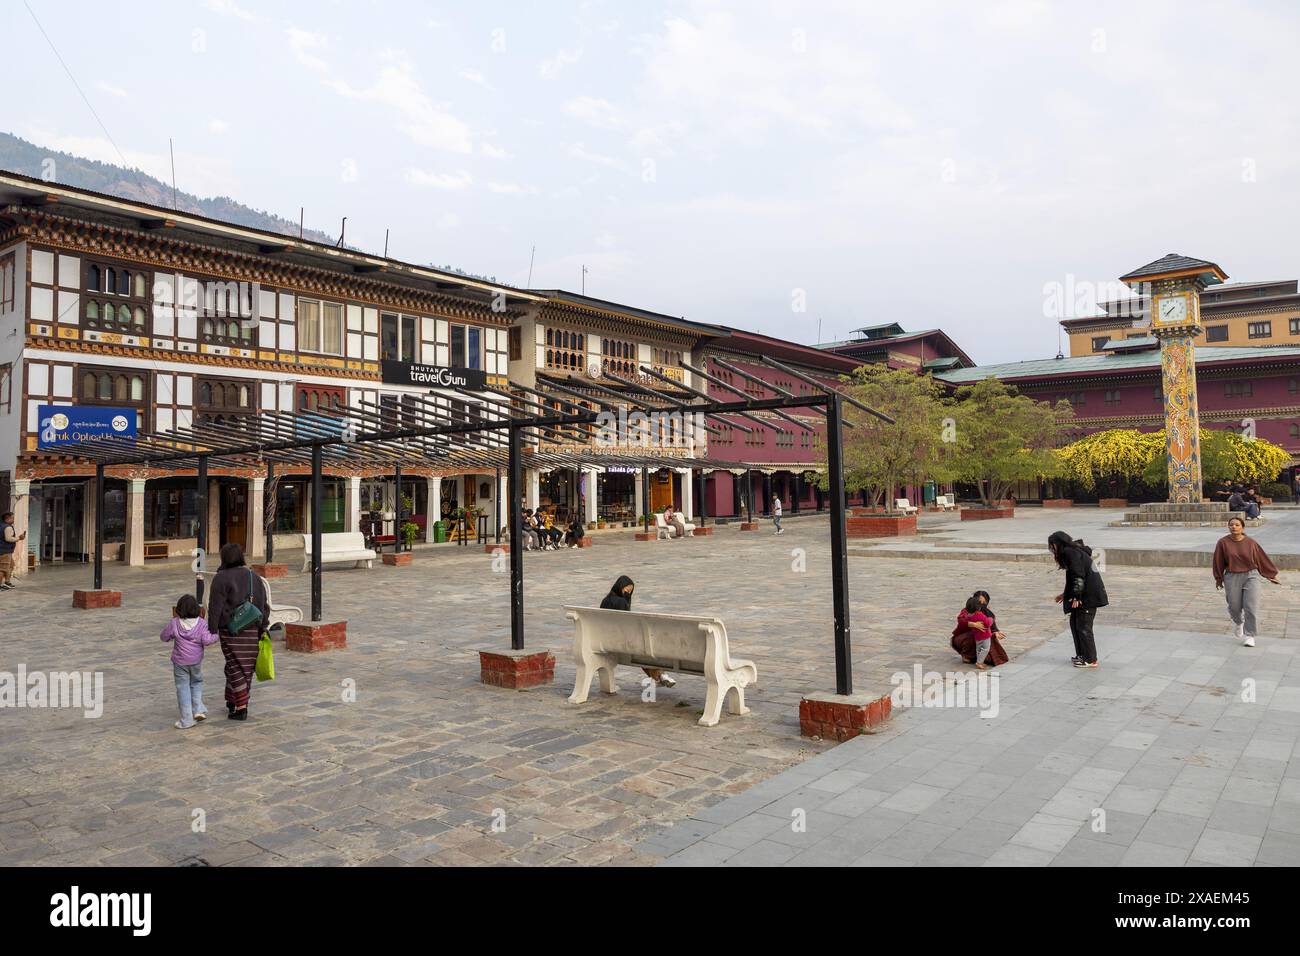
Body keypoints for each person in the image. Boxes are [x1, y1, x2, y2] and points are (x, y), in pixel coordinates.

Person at [205, 543, 270, 721]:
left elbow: (215, 607)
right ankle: (232, 699)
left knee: (235, 665)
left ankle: (241, 707)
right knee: (244, 667)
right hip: (252, 628)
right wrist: (263, 625)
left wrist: (212, 630)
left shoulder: (221, 578)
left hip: (230, 630)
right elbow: (263, 604)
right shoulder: (253, 576)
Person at [1212, 515, 1280, 648]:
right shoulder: (1223, 543)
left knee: (1251, 607)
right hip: (1232, 576)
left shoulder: (1251, 542)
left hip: (1251, 575)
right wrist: (1219, 578)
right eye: (1231, 524)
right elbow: (1218, 561)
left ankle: (1250, 635)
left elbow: (1261, 559)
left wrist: (1271, 574)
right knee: (1234, 607)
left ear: (1242, 527)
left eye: (1237, 525)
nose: (1234, 527)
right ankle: (1238, 622)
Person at [599, 575, 675, 687]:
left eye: (630, 591)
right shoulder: (621, 602)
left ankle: (658, 676)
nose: (629, 593)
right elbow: (626, 624)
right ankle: (660, 675)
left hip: (605, 641)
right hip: (619, 644)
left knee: (640, 652)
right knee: (643, 651)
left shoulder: (605, 600)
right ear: (620, 587)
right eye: (627, 590)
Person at [1048, 531, 1108, 668]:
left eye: (1052, 545)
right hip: (1083, 594)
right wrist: (1065, 595)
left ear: (1057, 544)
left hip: (1087, 596)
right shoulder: (1073, 552)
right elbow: (1073, 578)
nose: (1052, 549)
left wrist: (1076, 596)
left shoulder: (1071, 552)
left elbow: (1078, 575)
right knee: (1075, 624)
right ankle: (1082, 655)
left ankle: (1090, 659)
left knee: (1084, 627)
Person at [161, 593, 220, 729]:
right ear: (197, 609)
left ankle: (186, 719)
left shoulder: (174, 623)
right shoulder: (201, 623)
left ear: (179, 609)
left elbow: (164, 637)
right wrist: (216, 635)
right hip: (196, 661)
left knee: (182, 688)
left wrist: (170, 636)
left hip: (179, 662)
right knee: (196, 682)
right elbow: (206, 640)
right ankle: (198, 708)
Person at [951, 590, 1009, 666]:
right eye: (979, 602)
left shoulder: (986, 612)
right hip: (963, 638)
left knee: (988, 638)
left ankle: (978, 659)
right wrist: (973, 624)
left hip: (980, 638)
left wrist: (996, 632)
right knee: (973, 636)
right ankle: (966, 655)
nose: (981, 605)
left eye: (983, 602)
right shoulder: (968, 610)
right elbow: (961, 619)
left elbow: (990, 624)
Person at [0, 511, 25, 591]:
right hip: (5, 551)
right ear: (8, 518)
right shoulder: (7, 527)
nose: (13, 519)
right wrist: (19, 538)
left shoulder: (2, 525)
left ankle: (7, 582)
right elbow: (8, 538)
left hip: (6, 550)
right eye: (12, 518)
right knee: (2, 569)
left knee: (10, 566)